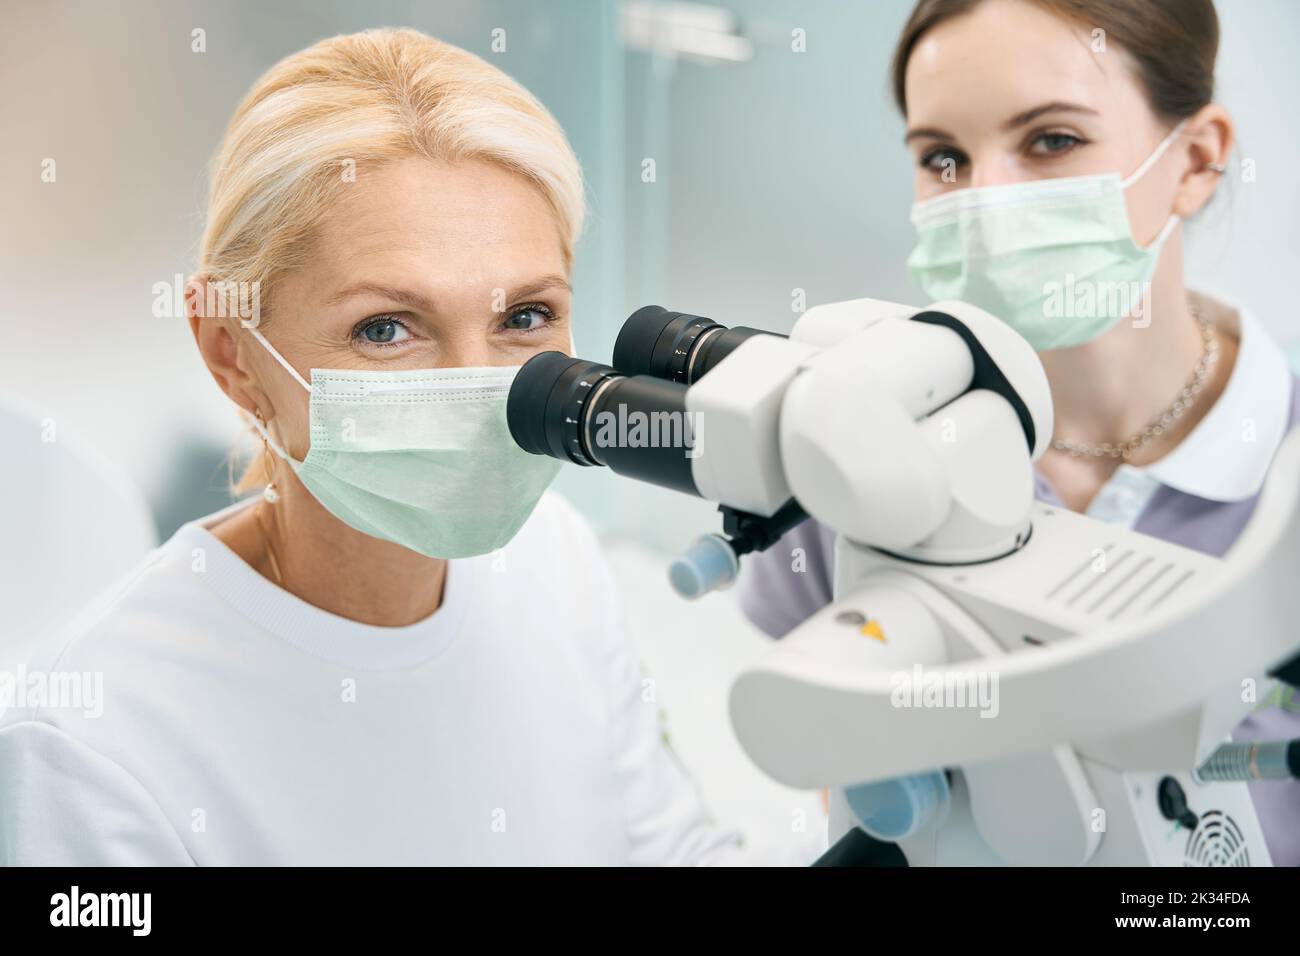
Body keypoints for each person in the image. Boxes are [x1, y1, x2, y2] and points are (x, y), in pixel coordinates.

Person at [0, 28, 801, 866]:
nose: (476, 386)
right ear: (232, 354)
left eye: (523, 317)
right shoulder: (90, 749)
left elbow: (668, 849)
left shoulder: (555, 561)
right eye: (386, 328)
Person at [740, 0, 1299, 865]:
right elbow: (856, 791)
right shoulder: (858, 438)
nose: (986, 201)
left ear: (1195, 158)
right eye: (945, 157)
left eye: (1050, 141)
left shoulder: (1282, 476)